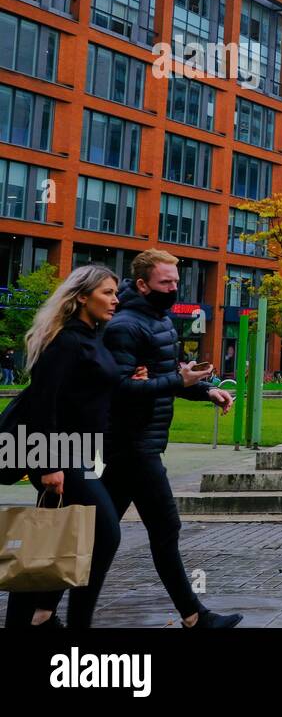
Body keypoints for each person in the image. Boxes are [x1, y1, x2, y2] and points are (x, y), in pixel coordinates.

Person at [101, 249, 242, 629]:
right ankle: (195, 616)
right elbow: (121, 389)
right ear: (143, 284)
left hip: (144, 441)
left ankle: (43, 611)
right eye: (166, 283)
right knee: (164, 529)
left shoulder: (158, 320)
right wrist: (181, 382)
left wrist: (205, 389)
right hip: (132, 443)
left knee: (102, 534)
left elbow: (165, 378)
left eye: (176, 282)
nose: (174, 288)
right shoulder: (125, 327)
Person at [3, 265, 138, 628]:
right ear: (82, 296)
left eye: (115, 293)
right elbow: (43, 404)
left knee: (46, 544)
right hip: (56, 452)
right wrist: (47, 465)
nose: (115, 299)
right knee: (104, 534)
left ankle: (36, 617)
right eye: (107, 293)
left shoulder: (92, 335)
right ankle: (52, 617)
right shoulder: (63, 340)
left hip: (78, 451)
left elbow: (90, 387)